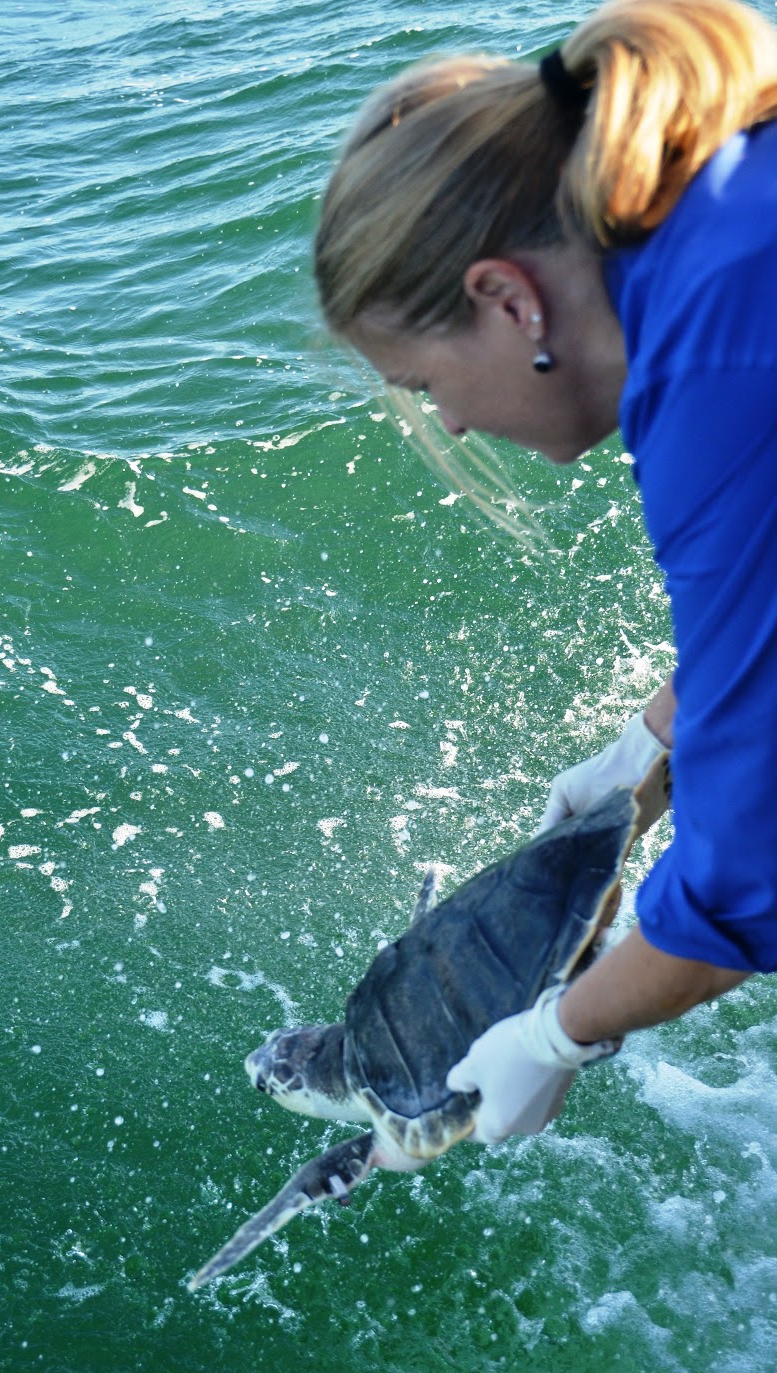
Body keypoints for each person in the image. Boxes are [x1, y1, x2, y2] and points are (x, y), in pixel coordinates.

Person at [313, 0, 777, 1143]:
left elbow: (745, 879)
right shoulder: (721, 223)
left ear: (506, 299)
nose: (448, 424)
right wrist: (649, 749)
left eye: (424, 385)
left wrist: (552, 1035)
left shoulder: (713, 366)